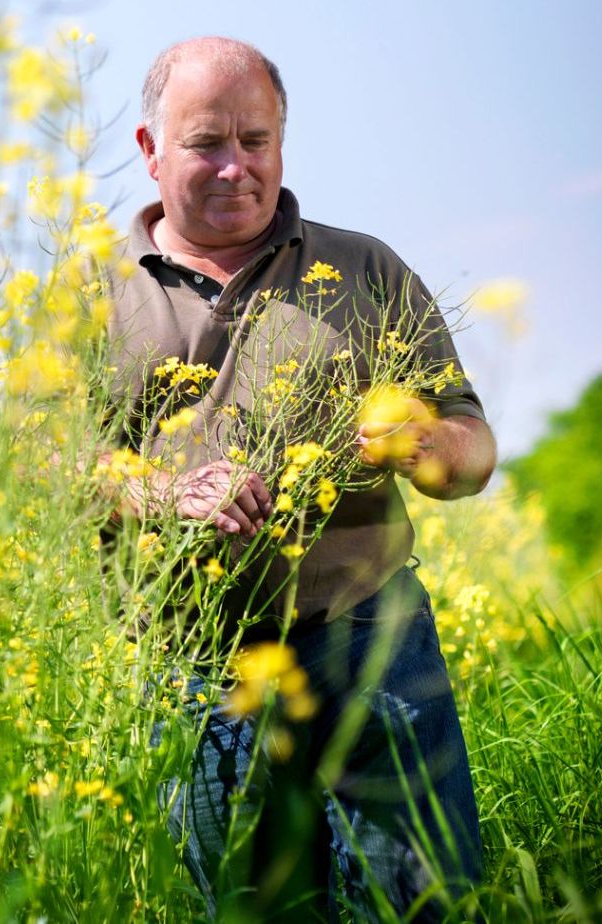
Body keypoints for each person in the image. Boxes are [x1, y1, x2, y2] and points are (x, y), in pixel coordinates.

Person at [100, 36, 496, 920]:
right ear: (150, 148)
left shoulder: (365, 269)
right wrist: (164, 493)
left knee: (427, 906)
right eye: (207, 143)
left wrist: (424, 440)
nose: (236, 168)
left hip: (369, 644)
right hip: (191, 666)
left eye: (257, 139)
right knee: (257, 912)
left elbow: (473, 448)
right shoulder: (89, 293)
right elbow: (42, 460)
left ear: (283, 139)